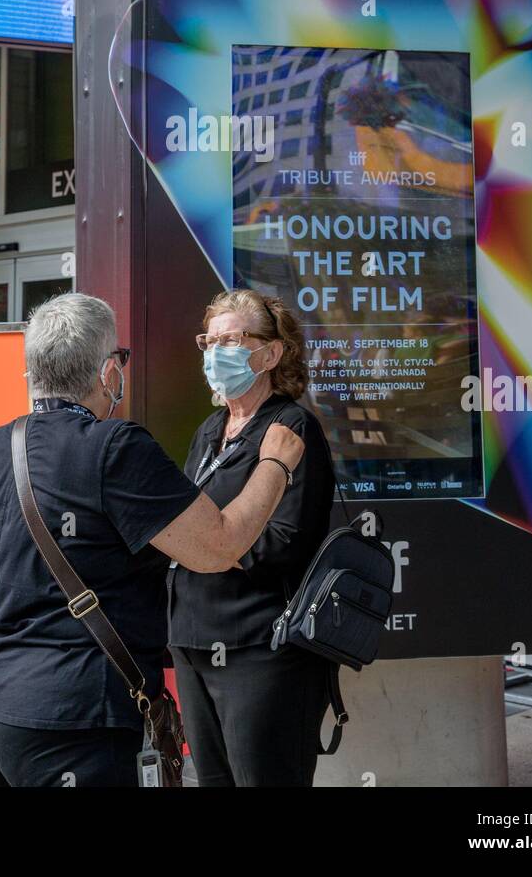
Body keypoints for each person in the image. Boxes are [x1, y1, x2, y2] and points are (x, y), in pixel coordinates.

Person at [0, 291, 303, 788]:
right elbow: (218, 547)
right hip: (78, 717)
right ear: (109, 371)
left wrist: (18, 656)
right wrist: (276, 463)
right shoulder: (116, 446)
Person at [168, 287, 336, 787]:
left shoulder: (291, 428)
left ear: (270, 353)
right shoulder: (210, 428)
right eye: (209, 341)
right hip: (193, 641)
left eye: (231, 339)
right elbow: (184, 520)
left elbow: (285, 543)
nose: (216, 352)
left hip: (258, 650)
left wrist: (210, 548)